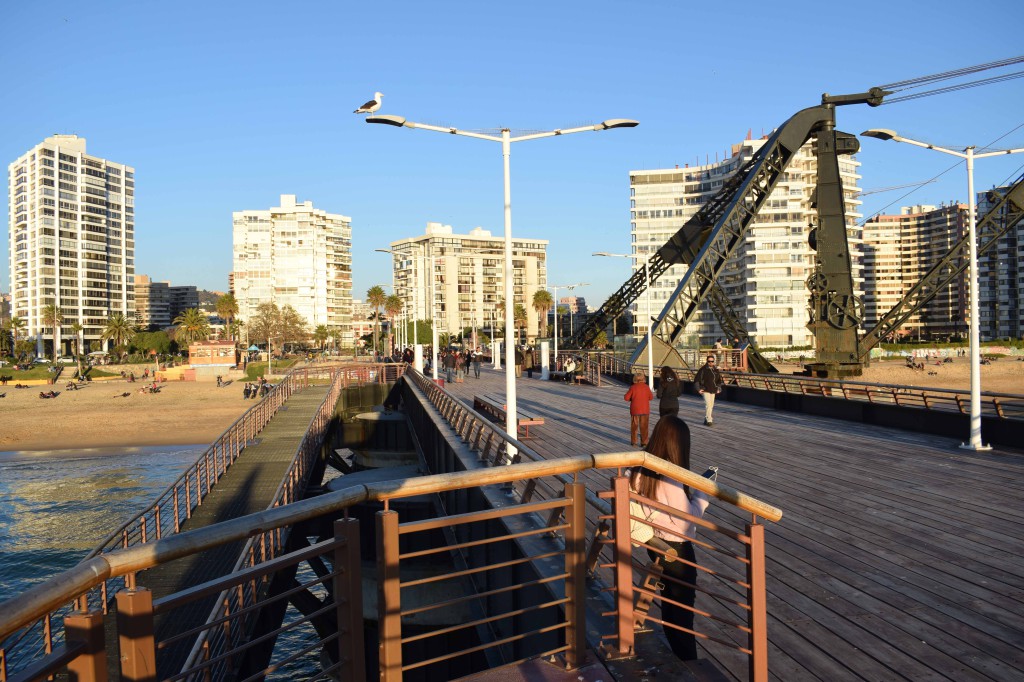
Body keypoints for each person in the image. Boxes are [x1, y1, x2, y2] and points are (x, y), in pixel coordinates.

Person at [630, 415, 711, 661]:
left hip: (655, 545)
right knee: (682, 615)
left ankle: (680, 658)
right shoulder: (671, 478)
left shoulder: (638, 469)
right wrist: (702, 494)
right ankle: (690, 666)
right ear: (678, 445)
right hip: (677, 551)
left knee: (670, 608)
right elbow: (687, 520)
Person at [623, 373, 654, 447]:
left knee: (634, 426)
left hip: (635, 410)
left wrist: (632, 398)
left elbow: (626, 398)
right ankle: (644, 442)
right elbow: (651, 397)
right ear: (643, 379)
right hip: (645, 409)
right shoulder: (646, 387)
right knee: (644, 427)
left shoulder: (633, 387)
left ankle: (634, 442)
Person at [694, 354, 723, 426]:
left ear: (714, 362)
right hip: (705, 389)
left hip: (713, 390)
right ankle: (709, 420)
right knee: (708, 405)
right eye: (709, 361)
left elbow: (719, 381)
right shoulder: (703, 370)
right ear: (707, 361)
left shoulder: (716, 370)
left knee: (711, 405)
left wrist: (719, 388)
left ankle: (706, 418)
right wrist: (698, 389)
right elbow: (696, 380)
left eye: (712, 361)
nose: (710, 363)